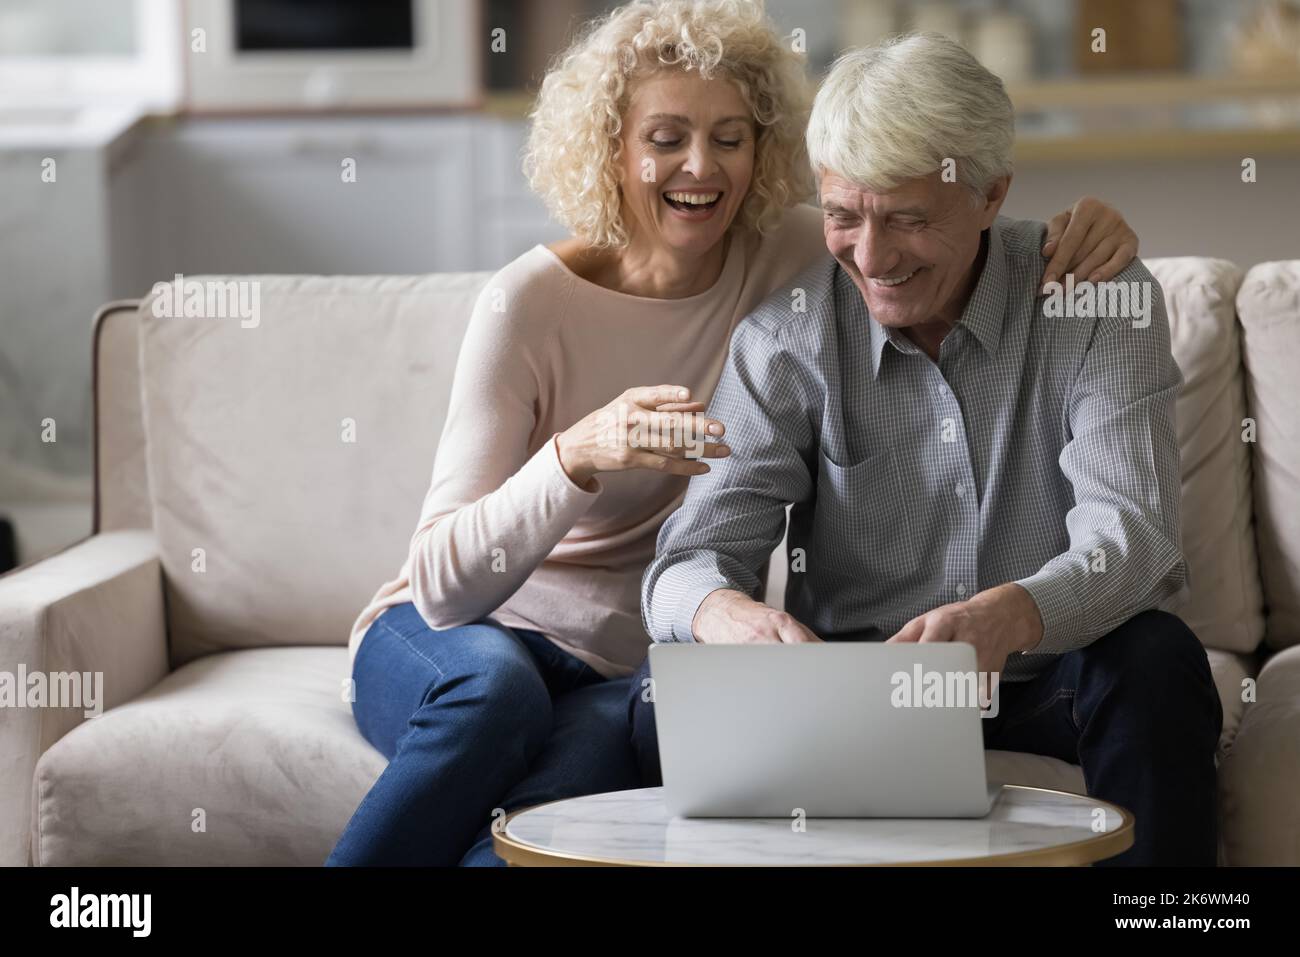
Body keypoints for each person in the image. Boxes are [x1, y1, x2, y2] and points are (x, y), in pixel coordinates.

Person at [327, 1, 1144, 867]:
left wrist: (1093, 226)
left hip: (633, 663)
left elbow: (920, 211)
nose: (700, 167)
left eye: (729, 137)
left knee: (552, 817)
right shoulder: (526, 303)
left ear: (763, 154)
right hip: (476, 629)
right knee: (498, 700)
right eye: (667, 137)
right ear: (612, 146)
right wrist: (576, 452)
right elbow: (444, 584)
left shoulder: (802, 253)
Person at [631, 32, 1222, 867]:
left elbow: (1133, 537)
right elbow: (683, 565)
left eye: (909, 219)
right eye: (843, 217)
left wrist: (1008, 614)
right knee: (652, 700)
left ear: (990, 195)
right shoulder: (786, 343)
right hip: (865, 695)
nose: (872, 259)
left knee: (1158, 658)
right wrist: (727, 615)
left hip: (1047, 675)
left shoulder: (1095, 301)